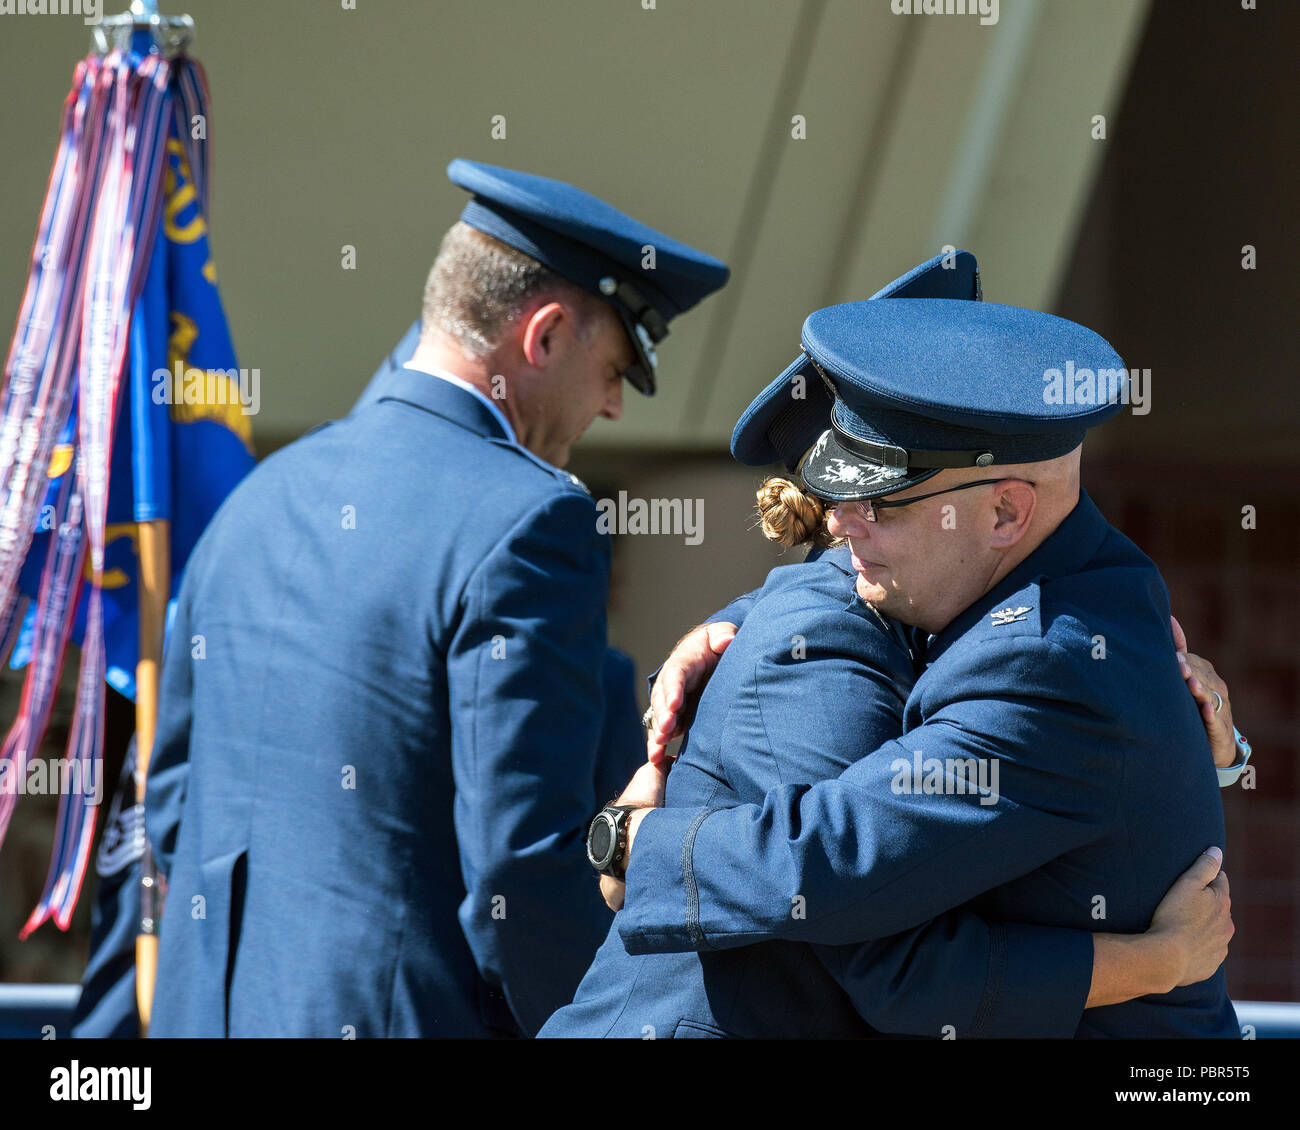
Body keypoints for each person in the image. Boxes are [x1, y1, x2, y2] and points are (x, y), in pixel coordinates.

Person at [143, 159, 728, 1037]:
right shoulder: (533, 518)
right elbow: (520, 867)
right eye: (615, 369)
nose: (609, 406)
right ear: (546, 334)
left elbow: (174, 802)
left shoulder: (257, 496)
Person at [603, 296, 1247, 1036]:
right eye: (838, 492)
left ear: (1006, 513)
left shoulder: (1052, 671)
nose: (841, 523)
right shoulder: (1068, 579)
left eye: (883, 502)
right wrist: (733, 624)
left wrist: (631, 842)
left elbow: (833, 865)